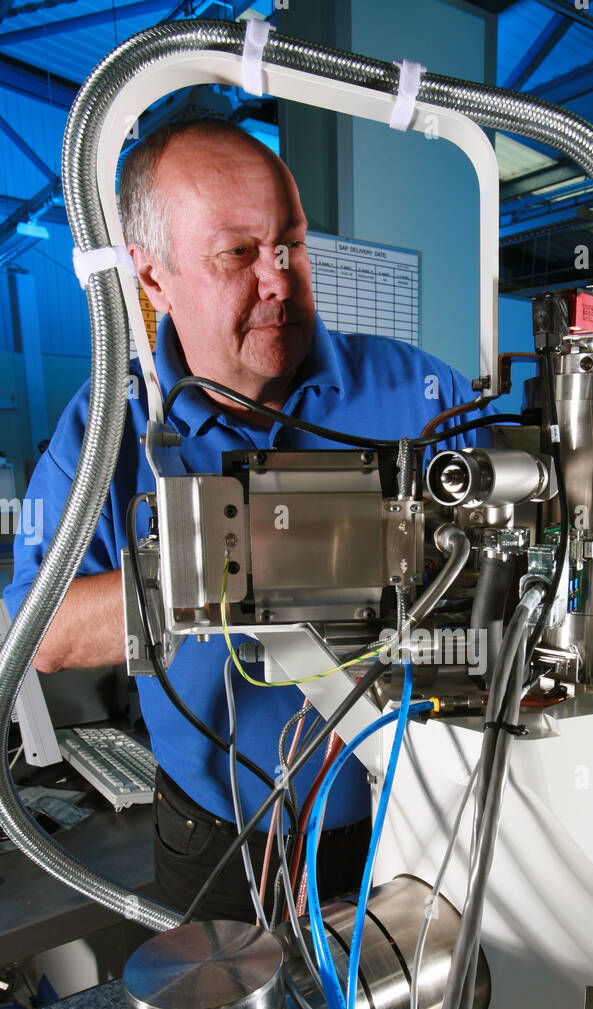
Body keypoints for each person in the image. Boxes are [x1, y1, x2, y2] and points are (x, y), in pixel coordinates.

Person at [5, 117, 489, 920]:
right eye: (237, 254)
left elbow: (535, 549)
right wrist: (246, 559)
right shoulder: (109, 428)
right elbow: (37, 629)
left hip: (416, 826)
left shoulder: (420, 393)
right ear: (153, 282)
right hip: (220, 845)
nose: (279, 281)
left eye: (291, 246)